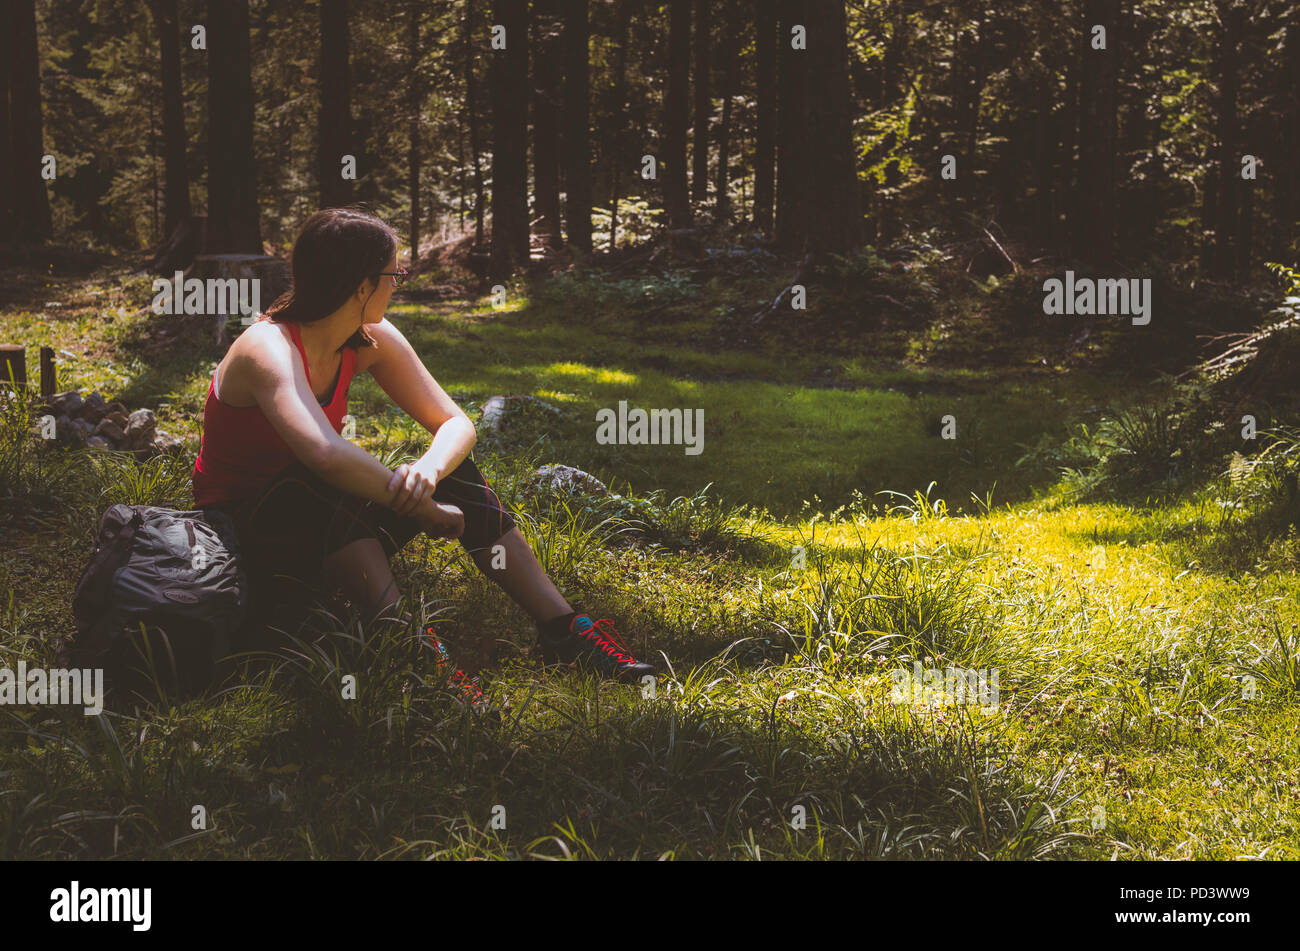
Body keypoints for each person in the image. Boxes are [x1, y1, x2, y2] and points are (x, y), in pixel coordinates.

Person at [191, 207, 655, 693]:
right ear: (361, 285)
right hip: (244, 537)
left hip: (322, 529)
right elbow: (323, 454)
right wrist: (420, 506)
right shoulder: (268, 347)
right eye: (395, 274)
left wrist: (429, 473)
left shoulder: (368, 338)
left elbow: (456, 422)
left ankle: (563, 630)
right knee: (317, 480)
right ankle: (409, 649)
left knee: (457, 472)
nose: (399, 285)